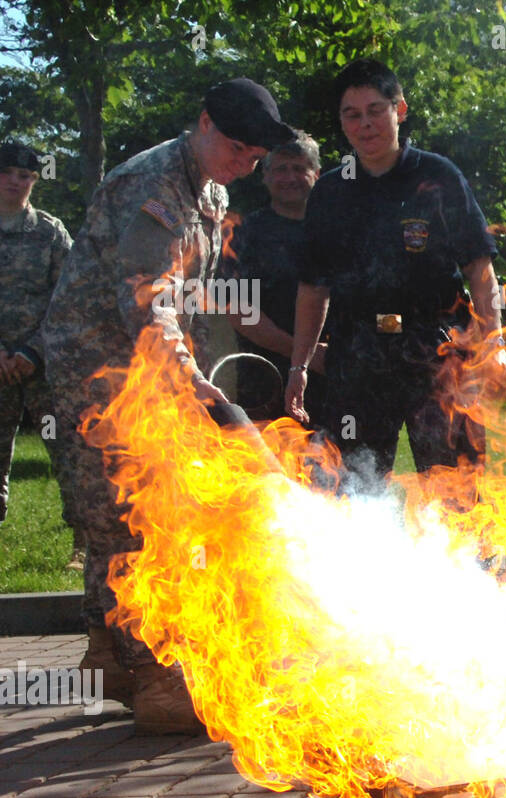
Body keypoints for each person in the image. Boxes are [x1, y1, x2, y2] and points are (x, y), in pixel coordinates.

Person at [41, 78, 294, 734]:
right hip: (103, 370)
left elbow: (188, 298)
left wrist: (196, 378)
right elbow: (149, 299)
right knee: (130, 517)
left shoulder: (211, 186)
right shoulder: (150, 185)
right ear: (204, 123)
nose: (247, 165)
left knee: (136, 510)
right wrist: (186, 377)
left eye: (256, 157)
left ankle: (108, 658)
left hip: (153, 366)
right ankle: (154, 673)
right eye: (238, 149)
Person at [284, 59, 505, 480]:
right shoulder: (330, 192)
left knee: (454, 488)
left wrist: (493, 341)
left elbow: (480, 268)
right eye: (352, 114)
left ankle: (466, 551)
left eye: (375, 110)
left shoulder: (438, 177)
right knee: (352, 487)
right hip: (358, 358)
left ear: (399, 110)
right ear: (341, 121)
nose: (364, 124)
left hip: (437, 354)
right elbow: (313, 290)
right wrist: (300, 366)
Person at [0, 142, 79, 562]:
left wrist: (31, 351)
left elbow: (66, 299)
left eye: (25, 175)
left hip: (43, 370)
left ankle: (82, 545)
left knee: (64, 450)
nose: (16, 181)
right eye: (8, 172)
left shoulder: (49, 233)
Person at [221, 130, 327, 419]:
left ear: (317, 174)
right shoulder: (242, 234)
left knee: (346, 465)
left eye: (299, 168)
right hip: (265, 382)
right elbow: (237, 309)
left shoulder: (339, 231)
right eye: (280, 168)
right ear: (264, 176)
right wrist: (305, 356)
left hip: (336, 385)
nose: (289, 177)